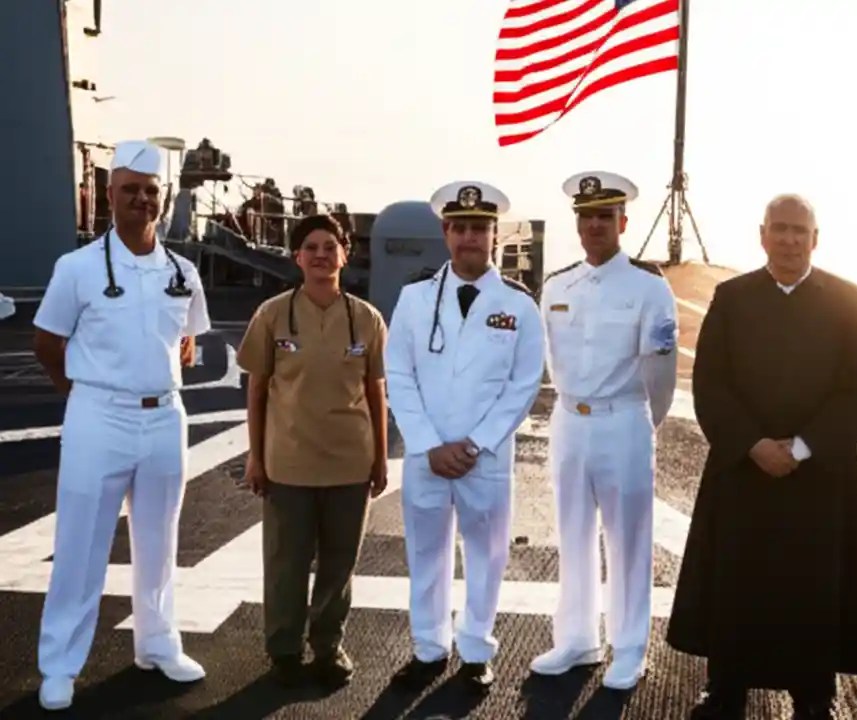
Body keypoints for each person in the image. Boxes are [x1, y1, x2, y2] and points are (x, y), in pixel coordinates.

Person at [667, 194, 857, 719]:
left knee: (814, 588)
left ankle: (813, 694)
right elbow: (711, 382)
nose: (789, 240)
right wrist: (754, 444)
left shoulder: (849, 301)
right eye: (780, 229)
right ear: (762, 235)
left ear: (816, 239)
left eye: (799, 231)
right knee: (736, 584)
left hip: (819, 474)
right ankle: (726, 688)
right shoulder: (733, 298)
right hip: (744, 469)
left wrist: (803, 447)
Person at [30, 139, 210, 711]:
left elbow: (186, 343)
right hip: (98, 416)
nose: (141, 199)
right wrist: (83, 395)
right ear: (110, 195)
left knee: (160, 541)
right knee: (80, 544)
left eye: (151, 191)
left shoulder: (183, 271)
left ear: (163, 197)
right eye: (130, 189)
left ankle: (157, 644)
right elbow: (47, 343)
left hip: (164, 418)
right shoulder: (77, 268)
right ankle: (60, 665)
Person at [383, 181, 545, 691]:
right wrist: (427, 443)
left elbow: (524, 384)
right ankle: (428, 649)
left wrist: (476, 443)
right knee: (425, 555)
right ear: (446, 233)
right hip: (427, 454)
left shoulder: (519, 305)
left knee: (487, 556)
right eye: (460, 228)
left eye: (479, 227)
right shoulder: (414, 298)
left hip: (485, 457)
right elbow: (399, 374)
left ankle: (476, 650)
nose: (469, 237)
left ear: (495, 234)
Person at [529, 171, 679, 691]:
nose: (594, 225)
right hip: (570, 422)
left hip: (624, 421)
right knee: (572, 534)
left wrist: (643, 424)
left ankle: (629, 647)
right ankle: (577, 639)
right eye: (586, 216)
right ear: (577, 223)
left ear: (623, 223)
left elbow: (661, 372)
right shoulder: (557, 286)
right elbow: (550, 358)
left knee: (628, 539)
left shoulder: (648, 287)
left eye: (604, 216)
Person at [235, 213, 390, 688]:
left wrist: (380, 457)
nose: (321, 255)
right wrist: (256, 455)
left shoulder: (366, 318)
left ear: (345, 255)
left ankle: (328, 647)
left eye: (330, 247)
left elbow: (375, 390)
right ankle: (284, 649)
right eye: (312, 247)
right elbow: (257, 388)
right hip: (288, 463)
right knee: (286, 563)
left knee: (339, 564)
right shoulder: (272, 314)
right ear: (297, 257)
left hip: (349, 462)